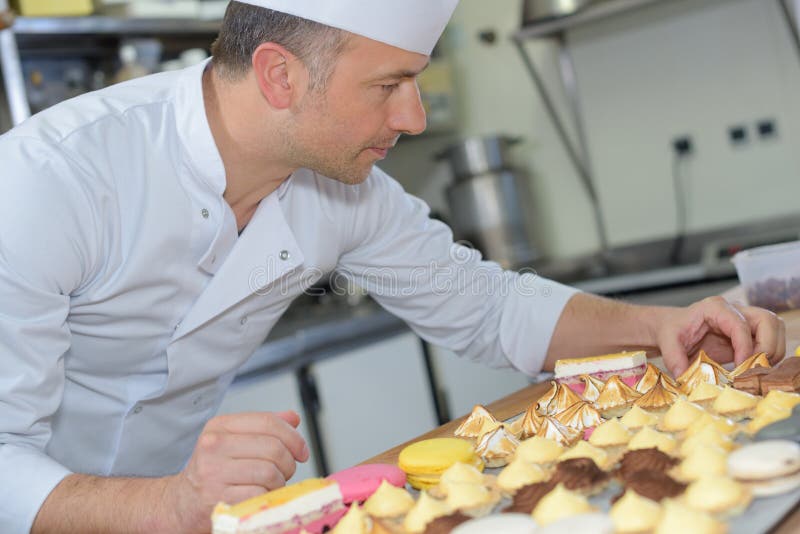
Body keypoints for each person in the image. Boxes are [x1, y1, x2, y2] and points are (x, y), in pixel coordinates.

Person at [0, 1, 784, 532]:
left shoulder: (343, 190)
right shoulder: (51, 182)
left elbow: (489, 307)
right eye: (390, 86)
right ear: (278, 75)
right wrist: (173, 503)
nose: (412, 117)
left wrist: (662, 324)